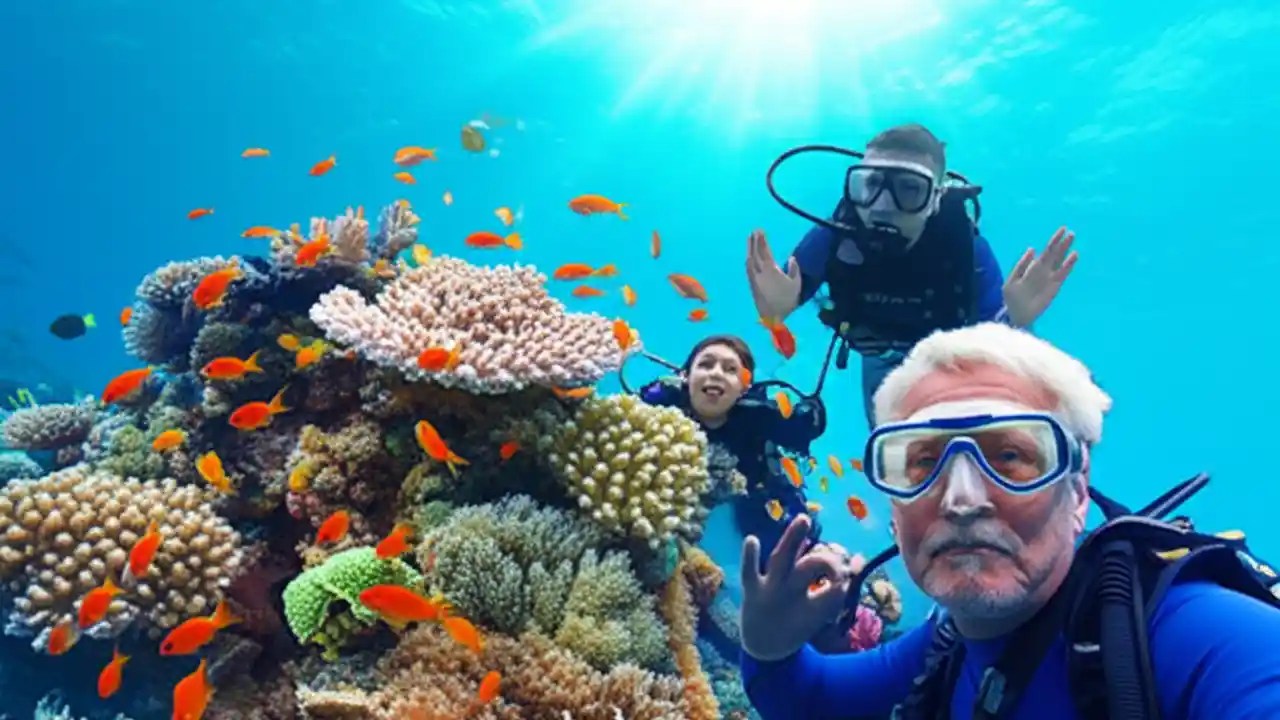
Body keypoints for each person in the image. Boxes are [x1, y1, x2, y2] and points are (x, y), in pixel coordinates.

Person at [738, 322, 1280, 719]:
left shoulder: (1185, 633)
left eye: (1011, 458)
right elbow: (809, 701)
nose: (961, 500)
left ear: (1077, 489)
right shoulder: (947, 642)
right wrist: (768, 646)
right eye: (923, 462)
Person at [748, 123, 1079, 424]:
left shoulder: (962, 247)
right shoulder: (838, 234)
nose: (882, 205)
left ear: (936, 199)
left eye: (909, 189)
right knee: (897, 453)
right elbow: (776, 311)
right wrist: (774, 309)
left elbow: (1003, 344)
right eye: (871, 184)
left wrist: (1020, 320)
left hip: (951, 361)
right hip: (877, 354)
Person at [638, 334, 826, 563]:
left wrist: (809, 417)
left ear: (744, 388)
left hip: (756, 490)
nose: (716, 373)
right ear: (685, 376)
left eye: (730, 370)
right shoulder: (663, 402)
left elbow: (801, 432)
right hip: (673, 493)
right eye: (706, 364)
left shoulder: (757, 415)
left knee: (794, 539)